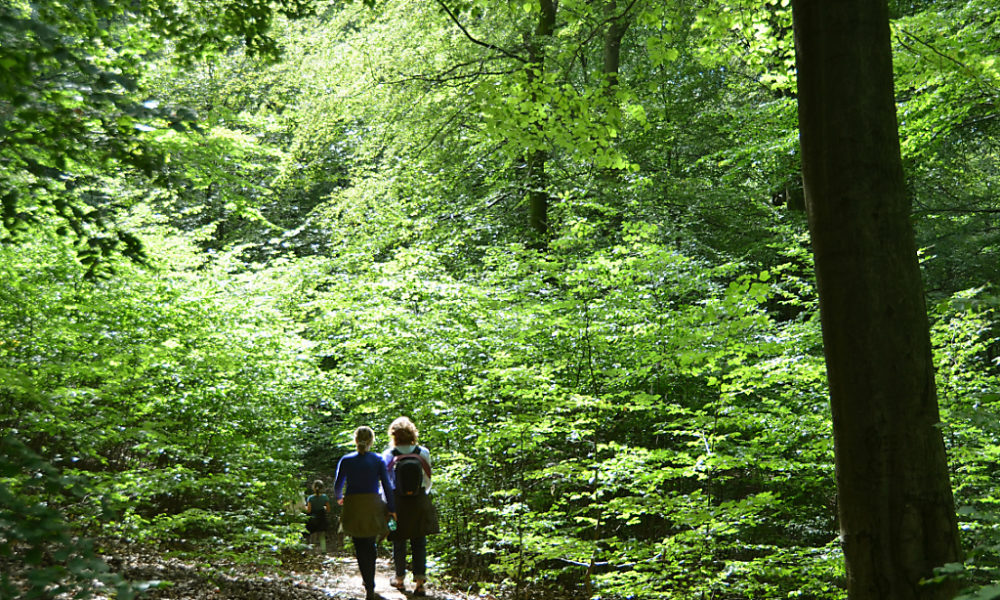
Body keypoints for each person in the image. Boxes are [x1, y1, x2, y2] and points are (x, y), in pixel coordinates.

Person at [334, 426, 396, 600]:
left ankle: (368, 584)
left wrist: (339, 498)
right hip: (372, 504)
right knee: (370, 542)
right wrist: (392, 508)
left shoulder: (346, 460)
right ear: (371, 441)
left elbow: (338, 486)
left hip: (353, 504)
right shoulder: (377, 460)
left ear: (356, 440)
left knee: (359, 544)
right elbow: (386, 485)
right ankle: (370, 583)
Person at [383, 416, 438, 597]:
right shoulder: (423, 452)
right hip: (419, 500)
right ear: (413, 433)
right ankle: (420, 583)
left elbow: (386, 482)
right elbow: (428, 481)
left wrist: (388, 503)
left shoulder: (388, 454)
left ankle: (399, 579)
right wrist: (421, 494)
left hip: (397, 502)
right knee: (419, 541)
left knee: (399, 539)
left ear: (394, 435)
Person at [305, 480, 331, 553]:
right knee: (322, 535)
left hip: (313, 518)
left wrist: (305, 508)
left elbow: (309, 510)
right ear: (322, 488)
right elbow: (328, 509)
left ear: (313, 487)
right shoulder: (325, 497)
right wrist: (324, 508)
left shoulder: (310, 498)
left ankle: (312, 551)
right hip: (322, 517)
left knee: (313, 534)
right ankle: (323, 551)